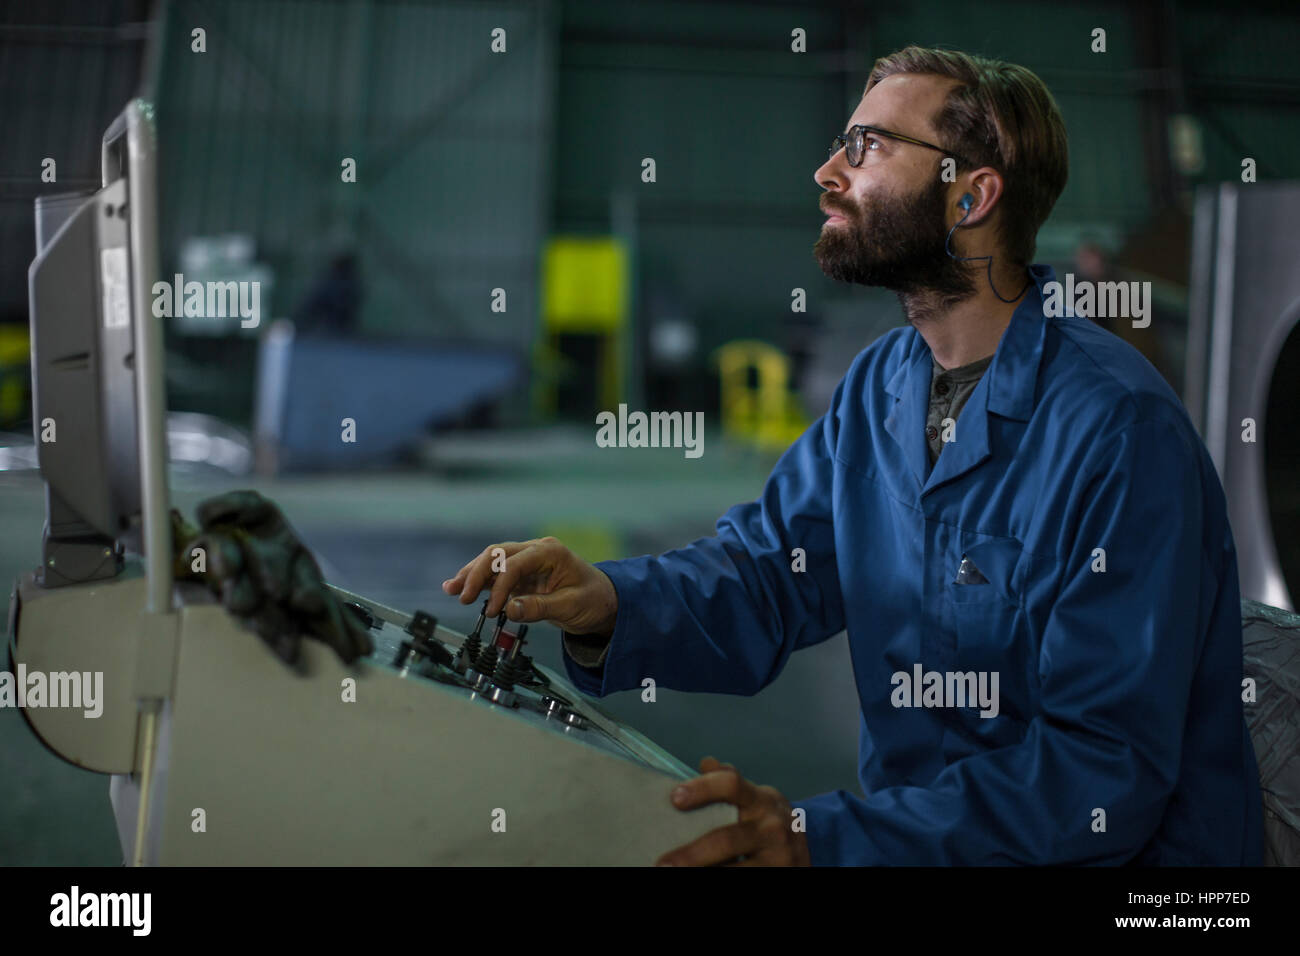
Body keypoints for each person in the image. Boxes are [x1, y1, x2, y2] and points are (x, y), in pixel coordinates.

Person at [443, 46, 1264, 866]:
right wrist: (612, 601)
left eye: (868, 146)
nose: (827, 171)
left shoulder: (1116, 429)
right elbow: (770, 574)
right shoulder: (883, 386)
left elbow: (1100, 775)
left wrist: (826, 840)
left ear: (971, 196)